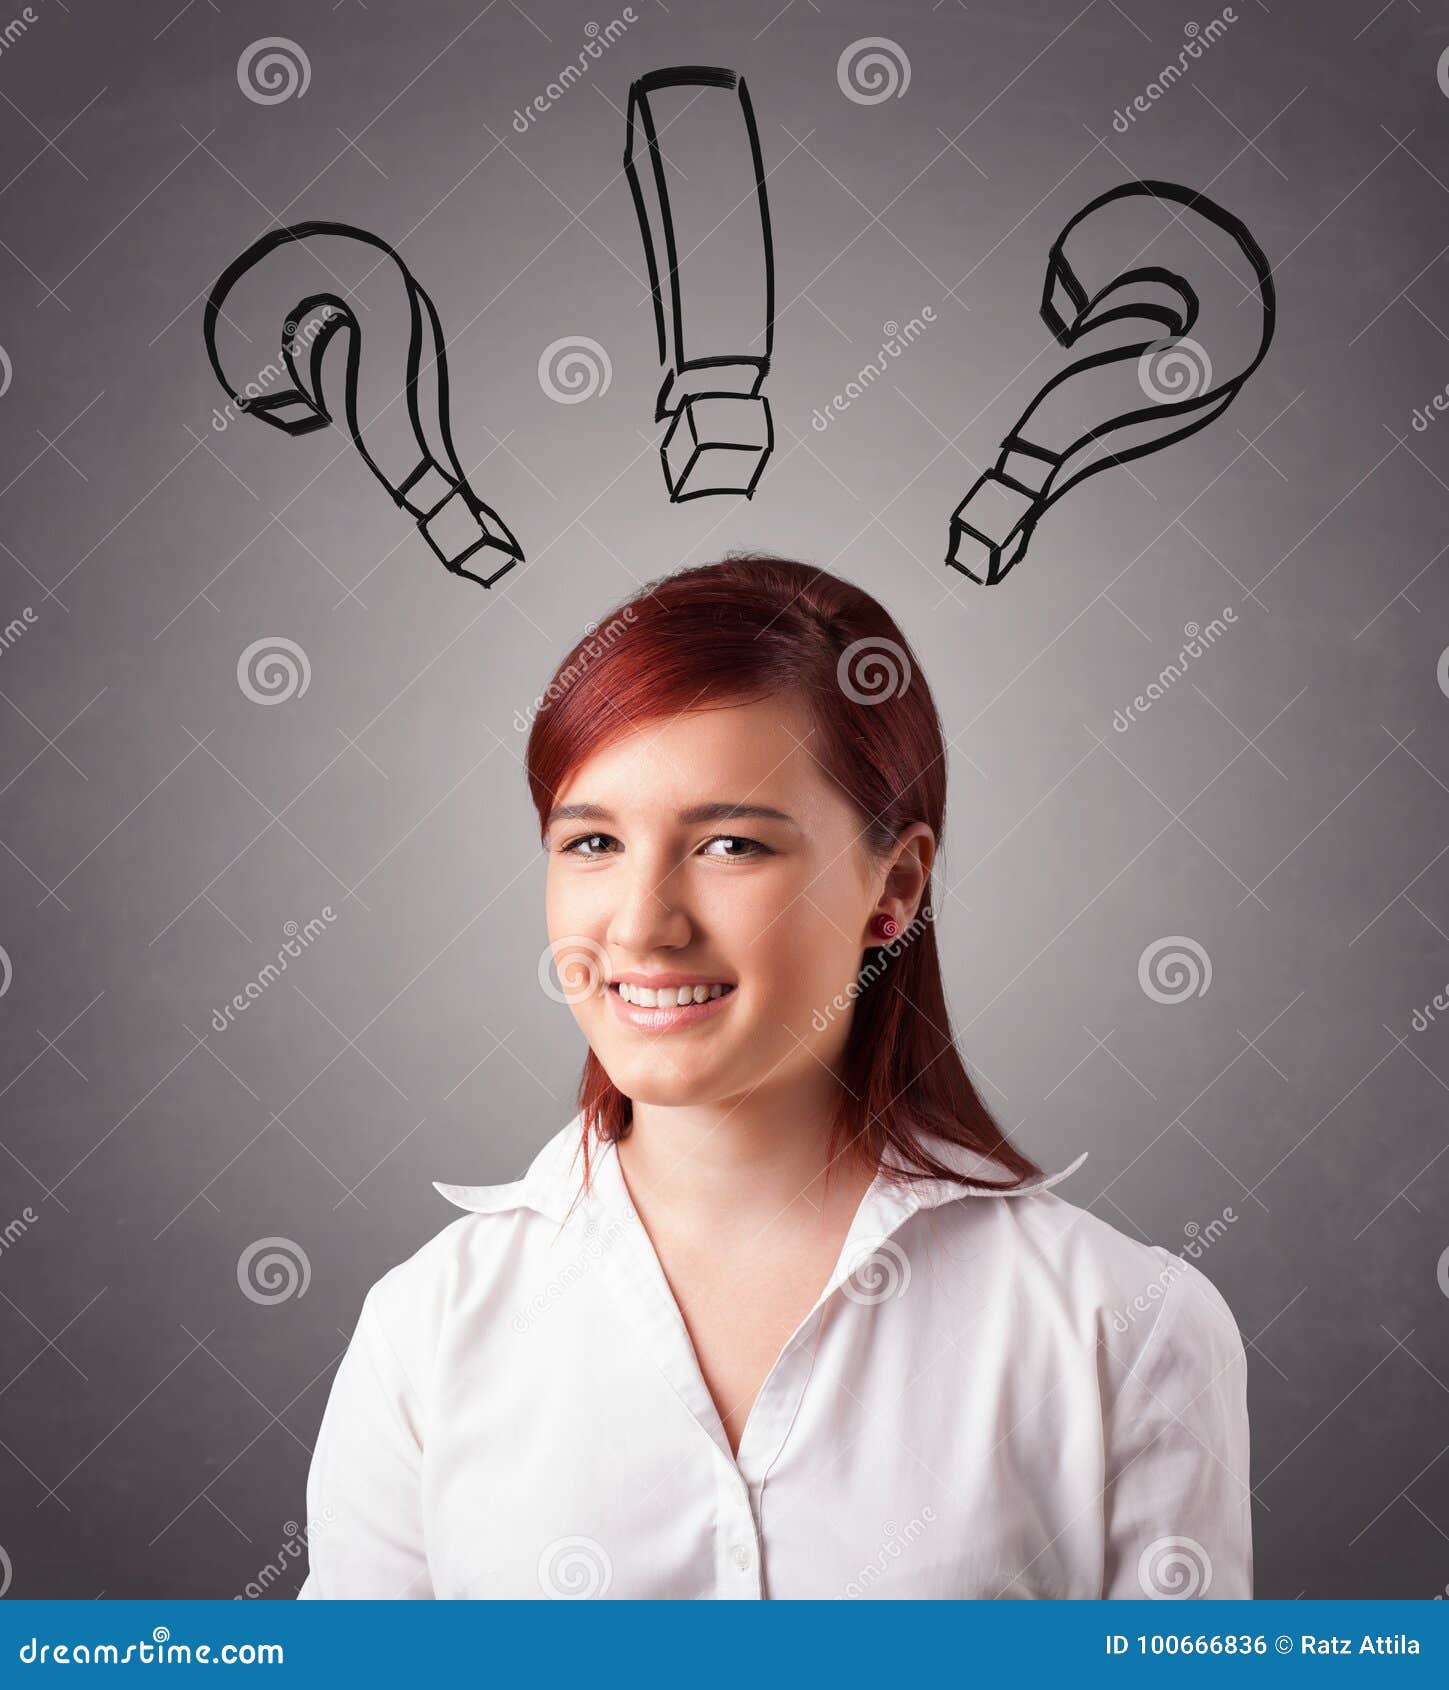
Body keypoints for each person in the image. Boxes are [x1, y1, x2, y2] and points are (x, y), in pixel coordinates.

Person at [296, 553, 1251, 1600]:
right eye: (595, 841)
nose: (642, 925)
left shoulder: (1123, 1327)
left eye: (731, 843)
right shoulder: (426, 1332)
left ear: (894, 886)